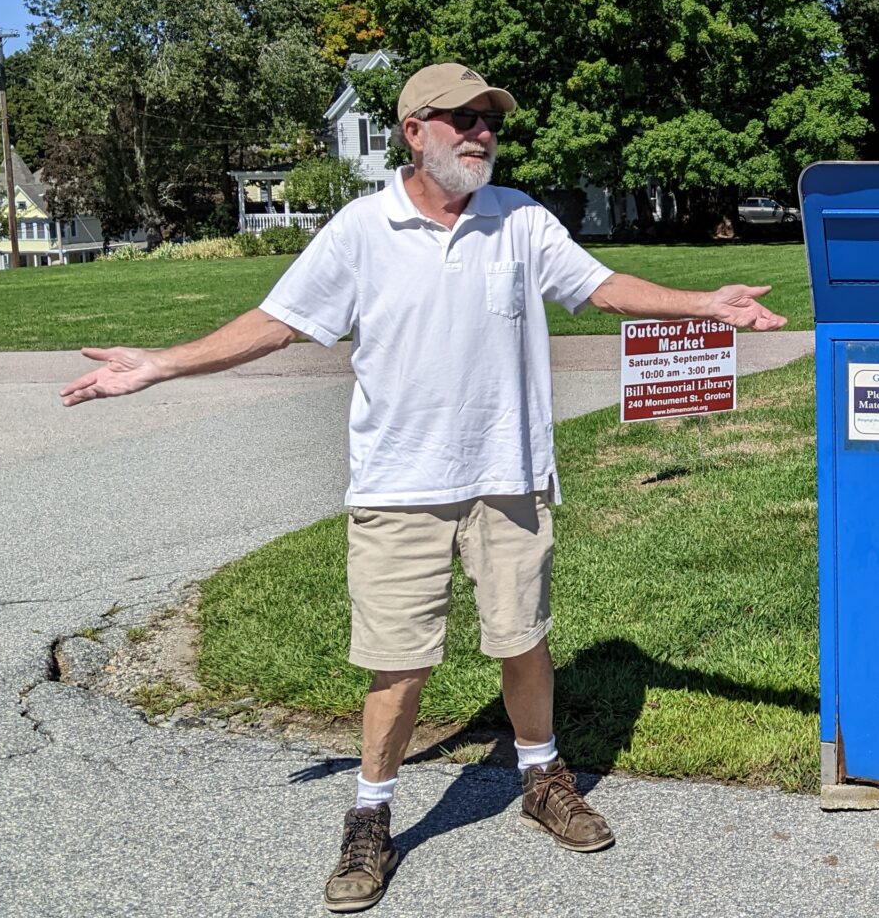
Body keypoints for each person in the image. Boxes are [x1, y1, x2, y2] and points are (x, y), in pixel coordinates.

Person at [60, 63, 788, 912]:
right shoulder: (361, 231)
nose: (481, 133)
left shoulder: (518, 219)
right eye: (463, 120)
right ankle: (371, 814)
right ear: (414, 131)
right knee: (397, 663)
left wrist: (707, 303)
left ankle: (542, 776)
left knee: (523, 638)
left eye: (489, 120)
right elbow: (277, 322)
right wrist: (160, 364)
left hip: (507, 472)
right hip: (400, 481)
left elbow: (600, 287)